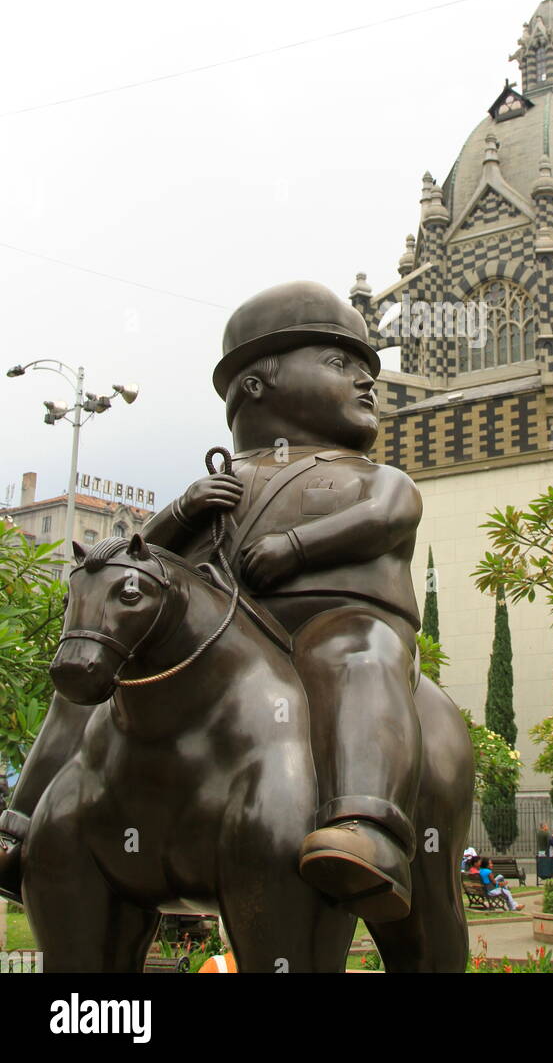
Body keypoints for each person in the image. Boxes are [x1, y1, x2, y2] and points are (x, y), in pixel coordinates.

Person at [0, 282, 424, 924]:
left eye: (369, 370)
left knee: (357, 657)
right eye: (342, 365)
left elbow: (392, 514)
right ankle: (19, 826)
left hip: (333, 620)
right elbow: (136, 562)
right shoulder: (218, 485)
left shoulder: (371, 476)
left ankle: (364, 823)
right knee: (90, 685)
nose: (369, 382)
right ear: (255, 386)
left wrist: (297, 548)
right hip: (227, 644)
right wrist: (182, 510)